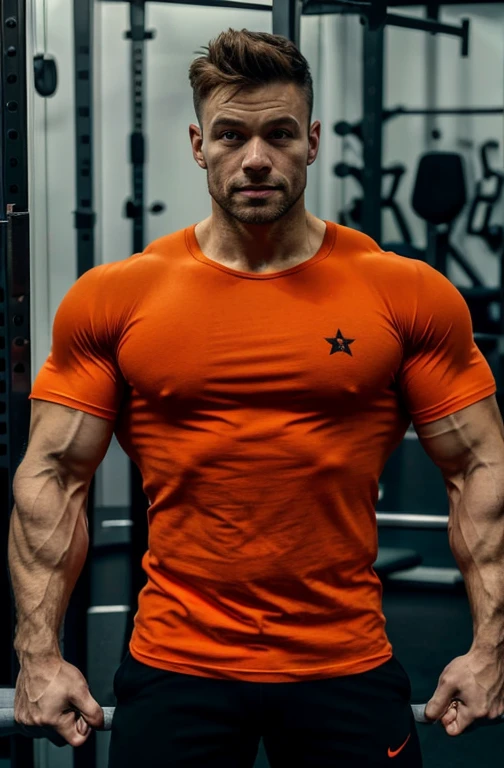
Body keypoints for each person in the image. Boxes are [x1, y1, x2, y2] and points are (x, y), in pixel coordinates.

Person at [8, 27, 504, 768]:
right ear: (198, 144)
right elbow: (53, 477)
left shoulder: (405, 293)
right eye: (231, 135)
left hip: (345, 658)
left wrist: (491, 647)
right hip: (177, 660)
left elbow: (481, 472)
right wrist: (38, 655)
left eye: (278, 134)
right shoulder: (117, 297)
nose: (257, 159)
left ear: (311, 140)